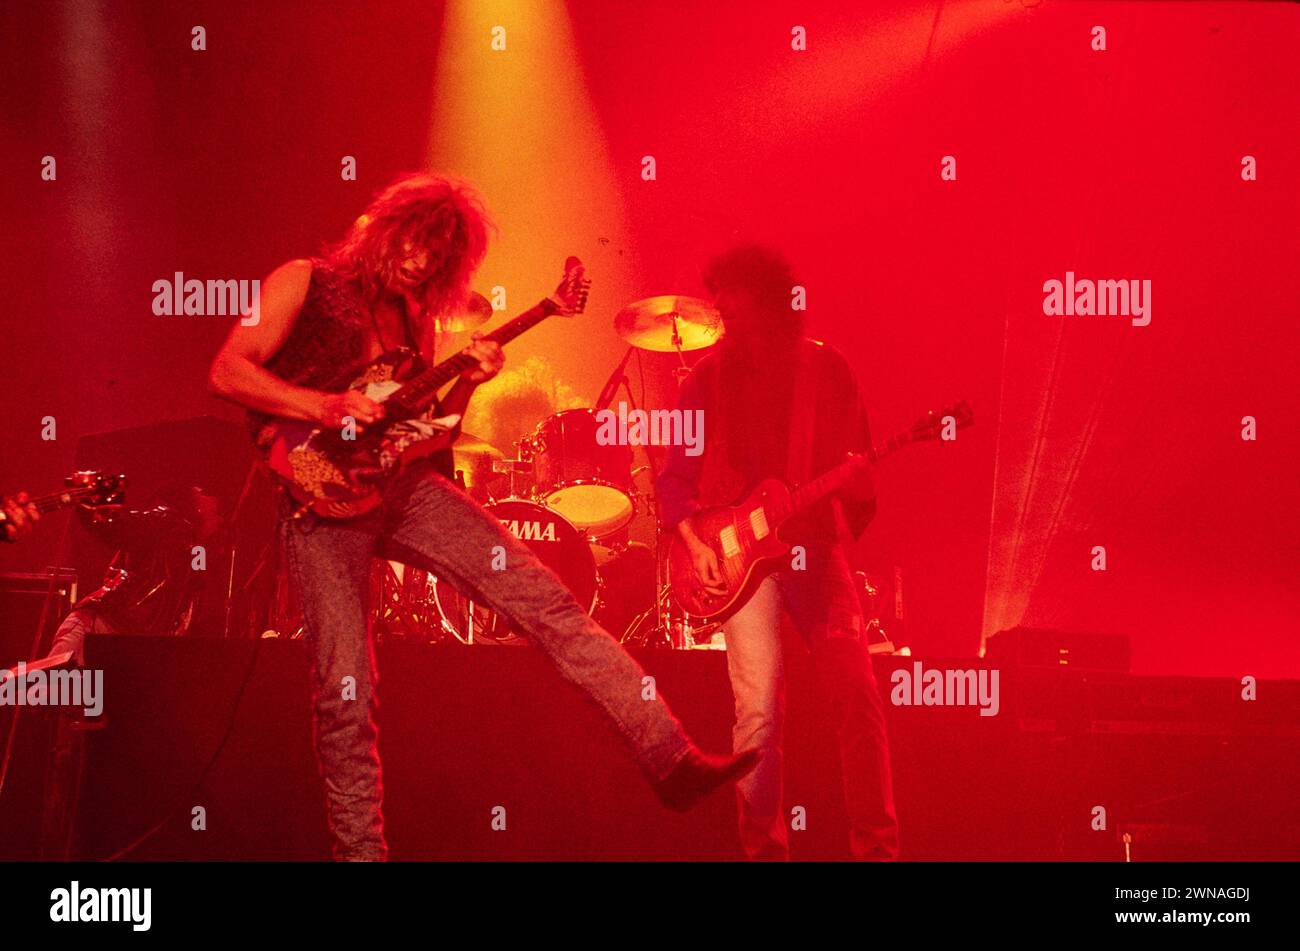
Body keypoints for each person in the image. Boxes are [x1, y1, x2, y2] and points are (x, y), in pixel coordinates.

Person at [208, 173, 754, 861]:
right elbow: (227, 370)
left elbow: (425, 435)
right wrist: (323, 407)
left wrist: (468, 379)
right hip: (315, 490)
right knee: (347, 686)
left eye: (438, 254)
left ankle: (671, 757)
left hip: (399, 485)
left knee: (547, 599)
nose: (421, 259)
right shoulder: (304, 281)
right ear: (387, 225)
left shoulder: (416, 323)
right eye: (416, 240)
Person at [657, 244, 900, 860]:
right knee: (760, 707)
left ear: (768, 304)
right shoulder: (703, 382)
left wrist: (858, 481)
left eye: (732, 308)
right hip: (738, 560)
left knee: (858, 691)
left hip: (815, 548)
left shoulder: (829, 371)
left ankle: (878, 852)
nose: (721, 319)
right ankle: (762, 853)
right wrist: (693, 540)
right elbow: (675, 482)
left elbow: (859, 477)